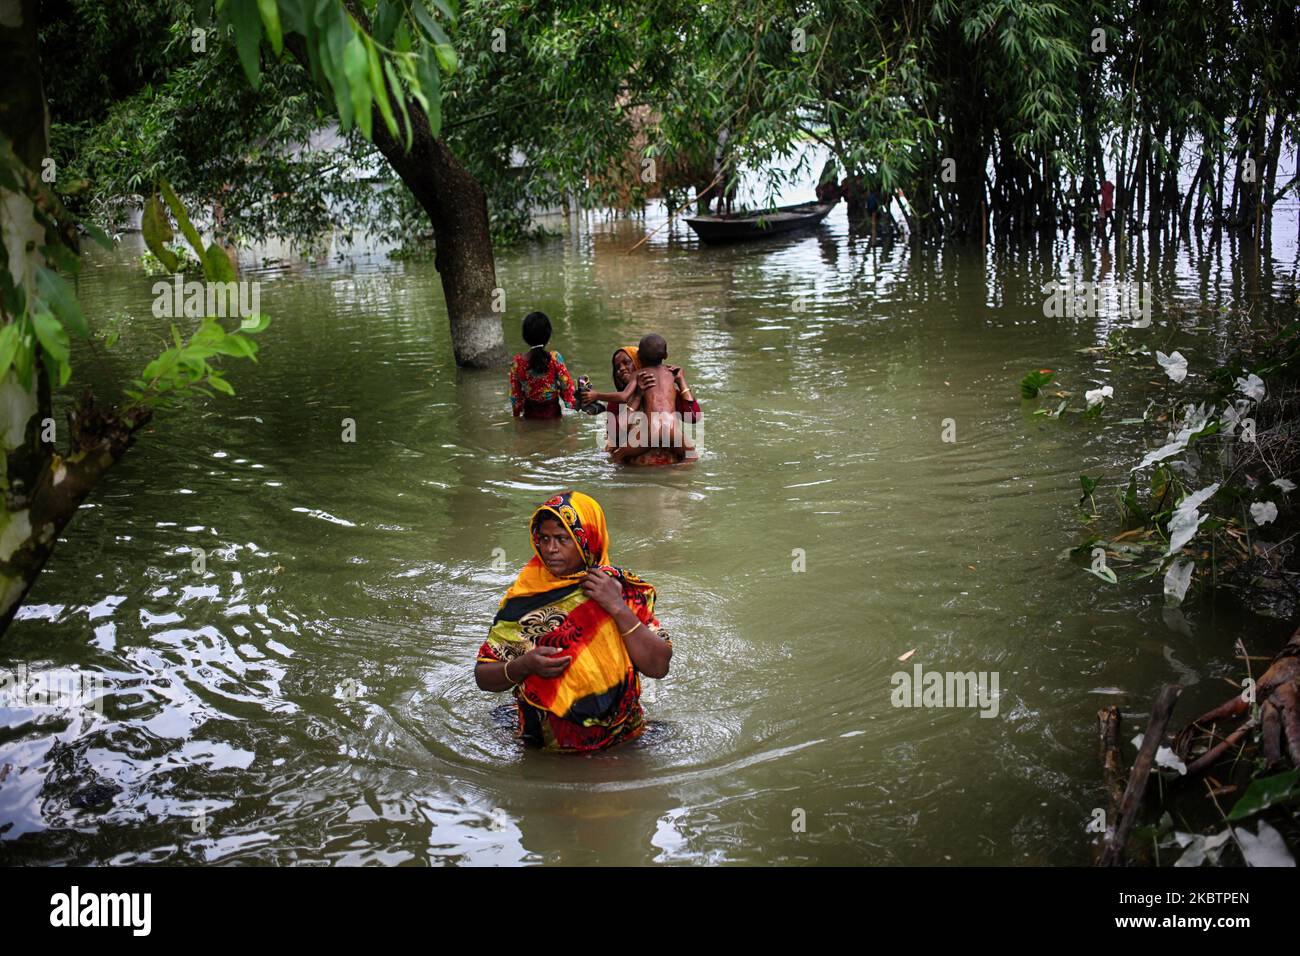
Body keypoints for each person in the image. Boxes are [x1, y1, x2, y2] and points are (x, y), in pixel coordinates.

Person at [474, 492, 673, 752]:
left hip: (623, 735)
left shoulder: (621, 591)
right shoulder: (526, 598)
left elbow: (658, 666)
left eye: (562, 539)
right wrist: (524, 665)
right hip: (545, 744)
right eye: (544, 538)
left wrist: (616, 607)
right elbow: (483, 676)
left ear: (588, 540)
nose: (550, 548)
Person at [579, 334, 694, 462]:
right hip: (669, 431)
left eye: (626, 363)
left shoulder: (640, 377)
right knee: (692, 455)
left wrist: (597, 394)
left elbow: (693, 416)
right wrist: (637, 397)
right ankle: (678, 472)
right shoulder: (669, 377)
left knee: (618, 456)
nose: (621, 369)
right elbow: (615, 434)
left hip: (652, 438)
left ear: (639, 359)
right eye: (617, 367)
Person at [508, 311, 577, 419]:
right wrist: (572, 405)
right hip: (553, 415)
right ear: (548, 335)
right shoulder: (555, 358)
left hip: (530, 416)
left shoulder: (517, 363)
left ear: (525, 336)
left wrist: (516, 417)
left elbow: (515, 397)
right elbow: (568, 387)